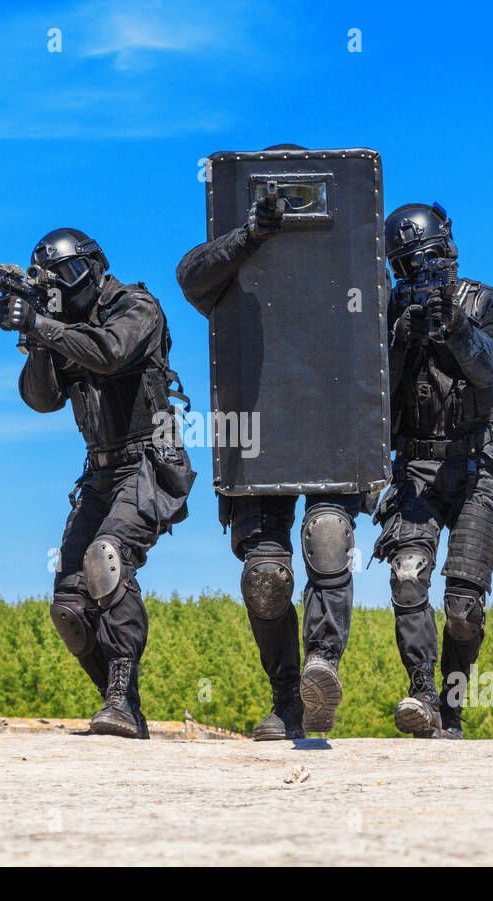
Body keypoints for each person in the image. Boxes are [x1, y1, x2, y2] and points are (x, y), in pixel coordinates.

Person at [176, 170, 363, 739]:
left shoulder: (349, 259)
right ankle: (288, 701)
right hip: (254, 433)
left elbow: (376, 336)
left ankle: (321, 664)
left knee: (328, 537)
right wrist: (251, 236)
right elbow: (189, 277)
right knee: (265, 576)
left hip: (332, 423)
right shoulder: (231, 264)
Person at [0, 228, 195, 739]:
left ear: (95, 266)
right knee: (69, 606)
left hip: (148, 461)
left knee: (106, 560)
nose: (62, 285)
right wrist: (36, 334)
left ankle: (121, 701)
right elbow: (41, 399)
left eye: (67, 273)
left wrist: (42, 322)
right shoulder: (63, 325)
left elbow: (110, 353)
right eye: (51, 279)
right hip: (101, 470)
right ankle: (123, 703)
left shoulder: (137, 308)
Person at [372, 203, 493, 739]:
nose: (420, 274)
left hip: (476, 464)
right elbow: (374, 399)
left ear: (449, 251)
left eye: (427, 260)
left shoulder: (484, 303)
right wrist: (401, 342)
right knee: (407, 578)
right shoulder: (387, 314)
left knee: (463, 606)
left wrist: (454, 327)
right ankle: (422, 696)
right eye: (407, 265)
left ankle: (452, 713)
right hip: (416, 467)